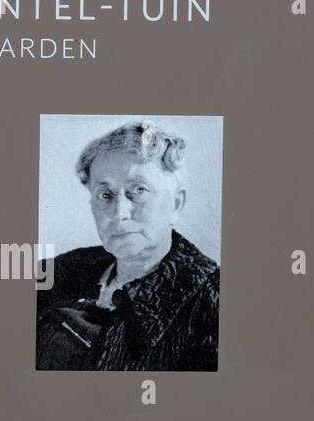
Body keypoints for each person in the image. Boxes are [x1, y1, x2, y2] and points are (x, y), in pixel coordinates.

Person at [36, 121, 219, 371]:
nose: (119, 213)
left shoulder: (214, 303)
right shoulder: (61, 271)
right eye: (105, 195)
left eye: (138, 190)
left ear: (176, 205)